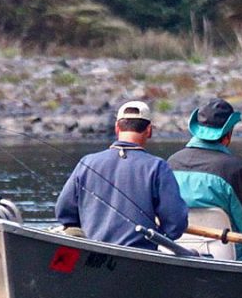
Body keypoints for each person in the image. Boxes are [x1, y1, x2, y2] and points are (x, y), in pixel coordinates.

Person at [54, 100, 189, 248]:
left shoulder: (87, 162)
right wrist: (160, 236)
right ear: (149, 130)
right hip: (140, 257)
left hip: (92, 253)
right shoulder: (158, 167)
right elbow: (175, 223)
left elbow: (64, 213)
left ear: (117, 128)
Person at [168, 98, 242, 232]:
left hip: (178, 247)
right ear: (228, 134)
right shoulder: (236, 170)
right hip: (229, 251)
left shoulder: (171, 163)